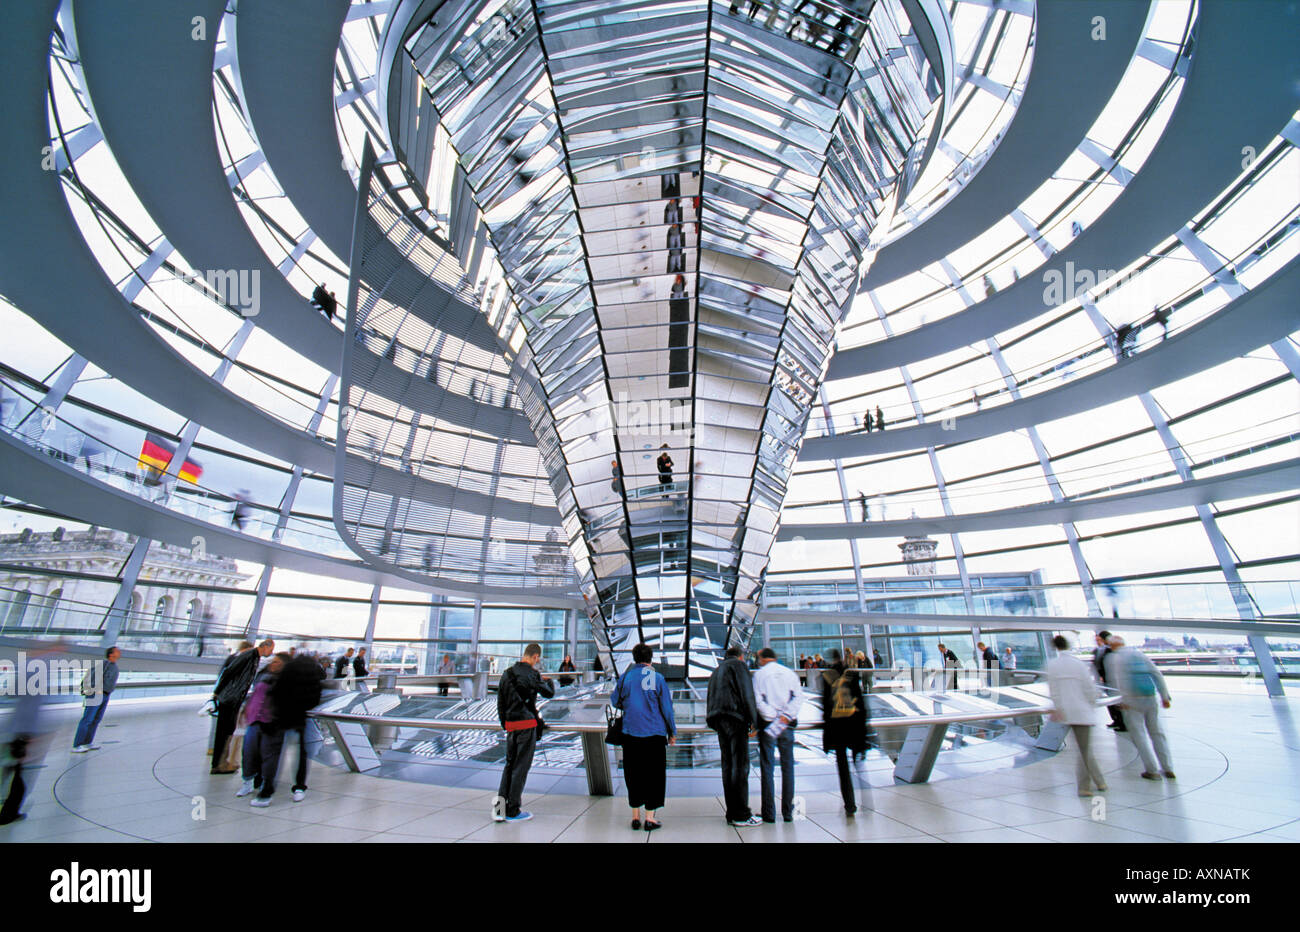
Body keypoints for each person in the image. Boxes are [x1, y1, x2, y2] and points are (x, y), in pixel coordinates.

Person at [612, 643, 676, 831]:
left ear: (634, 658)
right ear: (650, 658)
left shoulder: (625, 678)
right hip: (654, 734)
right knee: (654, 775)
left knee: (633, 773)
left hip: (630, 733)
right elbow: (667, 708)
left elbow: (615, 700)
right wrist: (672, 732)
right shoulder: (657, 678)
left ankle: (635, 817)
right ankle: (650, 818)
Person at [1, 645, 64, 824]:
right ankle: (8, 813)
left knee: (10, 770)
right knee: (18, 774)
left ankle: (8, 809)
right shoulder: (36, 673)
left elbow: (12, 695)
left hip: (14, 731)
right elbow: (32, 709)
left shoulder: (25, 670)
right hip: (22, 732)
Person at [494, 643, 554, 823]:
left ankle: (499, 810)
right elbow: (549, 693)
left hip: (511, 726)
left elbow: (500, 702)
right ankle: (513, 810)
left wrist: (505, 723)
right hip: (527, 725)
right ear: (535, 657)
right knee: (521, 767)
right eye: (538, 659)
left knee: (509, 766)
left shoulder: (507, 674)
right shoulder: (533, 674)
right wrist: (548, 680)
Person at [1104, 636, 1175, 780]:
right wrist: (1164, 696)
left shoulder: (1113, 658)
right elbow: (1156, 674)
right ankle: (1168, 767)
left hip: (1130, 700)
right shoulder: (1138, 654)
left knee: (1139, 735)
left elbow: (1114, 680)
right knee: (1157, 733)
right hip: (1150, 697)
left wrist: (1118, 699)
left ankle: (1152, 770)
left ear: (1111, 646)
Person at [706, 646, 761, 826]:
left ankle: (732, 812)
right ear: (740, 656)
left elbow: (710, 698)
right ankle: (742, 814)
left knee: (727, 765)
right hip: (735, 719)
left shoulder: (716, 671)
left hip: (719, 720)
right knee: (740, 765)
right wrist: (754, 720)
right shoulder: (739, 666)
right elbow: (747, 694)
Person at [1046, 635, 1107, 796]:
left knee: (1084, 748)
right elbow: (1089, 688)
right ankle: (1084, 786)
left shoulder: (1053, 665)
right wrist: (1094, 701)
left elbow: (1054, 691)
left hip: (1067, 711)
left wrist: (1058, 708)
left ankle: (1100, 781)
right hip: (1082, 711)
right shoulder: (1078, 664)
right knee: (1084, 750)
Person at [753, 647, 803, 823]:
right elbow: (798, 697)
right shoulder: (789, 673)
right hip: (786, 725)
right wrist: (785, 716)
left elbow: (758, 700)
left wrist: (772, 716)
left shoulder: (759, 675)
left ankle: (769, 813)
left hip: (768, 726)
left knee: (767, 768)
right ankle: (788, 813)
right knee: (788, 768)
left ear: (762, 658)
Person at [269, 651, 325, 803]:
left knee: (276, 753)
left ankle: (267, 789)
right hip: (300, 719)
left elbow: (277, 692)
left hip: (282, 718)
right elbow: (316, 695)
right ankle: (299, 787)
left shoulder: (288, 672)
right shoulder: (312, 674)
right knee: (301, 754)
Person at [210, 639, 275, 771]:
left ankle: (221, 763)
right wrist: (217, 693)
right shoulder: (249, 655)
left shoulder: (255, 658)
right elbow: (228, 672)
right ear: (265, 647)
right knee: (224, 731)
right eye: (271, 649)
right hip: (230, 698)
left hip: (234, 698)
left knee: (228, 730)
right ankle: (218, 764)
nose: (272, 652)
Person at [820, 650, 868, 816]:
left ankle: (849, 803)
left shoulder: (826, 676)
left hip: (836, 727)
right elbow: (861, 702)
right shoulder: (852, 675)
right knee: (858, 763)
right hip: (853, 725)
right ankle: (867, 801)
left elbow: (825, 706)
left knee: (842, 766)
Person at [238, 651, 287, 806]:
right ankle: (248, 781)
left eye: (278, 662)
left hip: (273, 724)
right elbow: (255, 695)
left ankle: (266, 791)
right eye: (274, 661)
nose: (274, 663)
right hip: (255, 720)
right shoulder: (262, 675)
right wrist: (246, 710)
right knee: (249, 751)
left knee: (269, 756)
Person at [71, 646, 120, 752]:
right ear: (111, 654)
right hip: (96, 694)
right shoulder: (104, 664)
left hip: (106, 694)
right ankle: (77, 744)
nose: (119, 652)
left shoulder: (114, 666)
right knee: (88, 719)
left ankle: (87, 742)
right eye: (117, 651)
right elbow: (92, 677)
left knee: (96, 719)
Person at [1093, 631, 1126, 731]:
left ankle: (1122, 722)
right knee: (1110, 701)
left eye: (1099, 640)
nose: (1097, 642)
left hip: (1112, 680)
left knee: (1116, 701)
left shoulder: (1110, 651)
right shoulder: (1099, 650)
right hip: (1105, 679)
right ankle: (1116, 720)